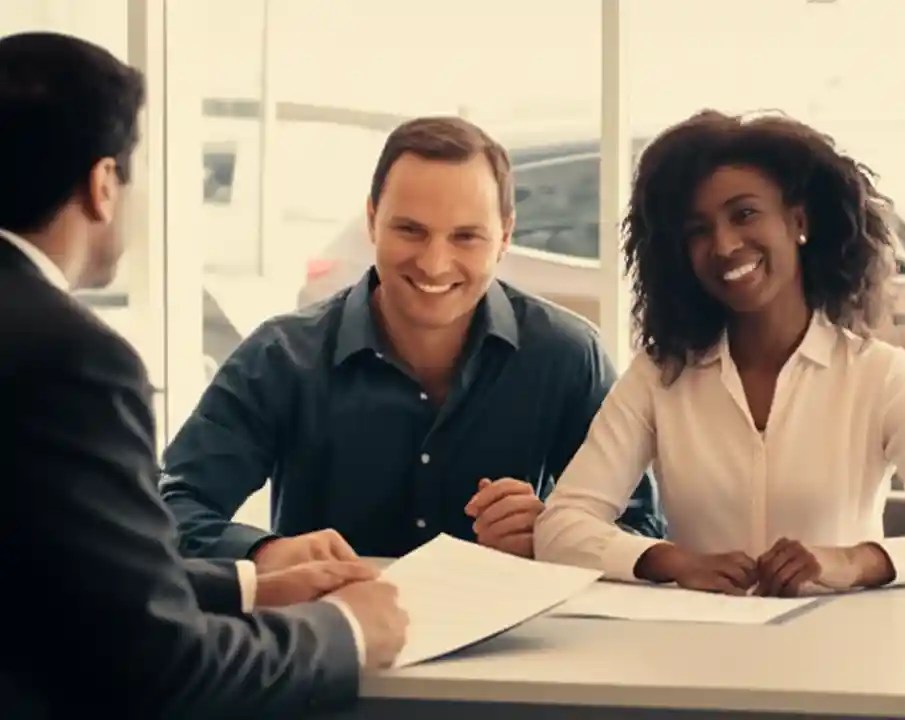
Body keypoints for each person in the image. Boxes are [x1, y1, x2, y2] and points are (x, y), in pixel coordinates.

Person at [0, 32, 407, 718]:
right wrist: (348, 629)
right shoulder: (71, 358)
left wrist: (249, 586)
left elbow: (44, 568)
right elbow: (162, 672)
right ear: (103, 185)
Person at [534, 110, 905, 596]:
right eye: (697, 230)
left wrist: (855, 561)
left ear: (798, 222)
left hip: (840, 653)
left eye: (744, 214)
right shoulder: (661, 376)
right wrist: (672, 561)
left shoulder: (878, 375)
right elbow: (561, 527)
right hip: (699, 651)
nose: (723, 245)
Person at [158, 116, 664, 570]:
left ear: (506, 234)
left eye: (466, 237)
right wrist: (263, 552)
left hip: (513, 663)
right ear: (372, 219)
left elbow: (642, 532)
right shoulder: (281, 356)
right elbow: (167, 509)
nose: (434, 263)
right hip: (334, 652)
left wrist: (555, 540)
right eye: (410, 230)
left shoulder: (567, 356)